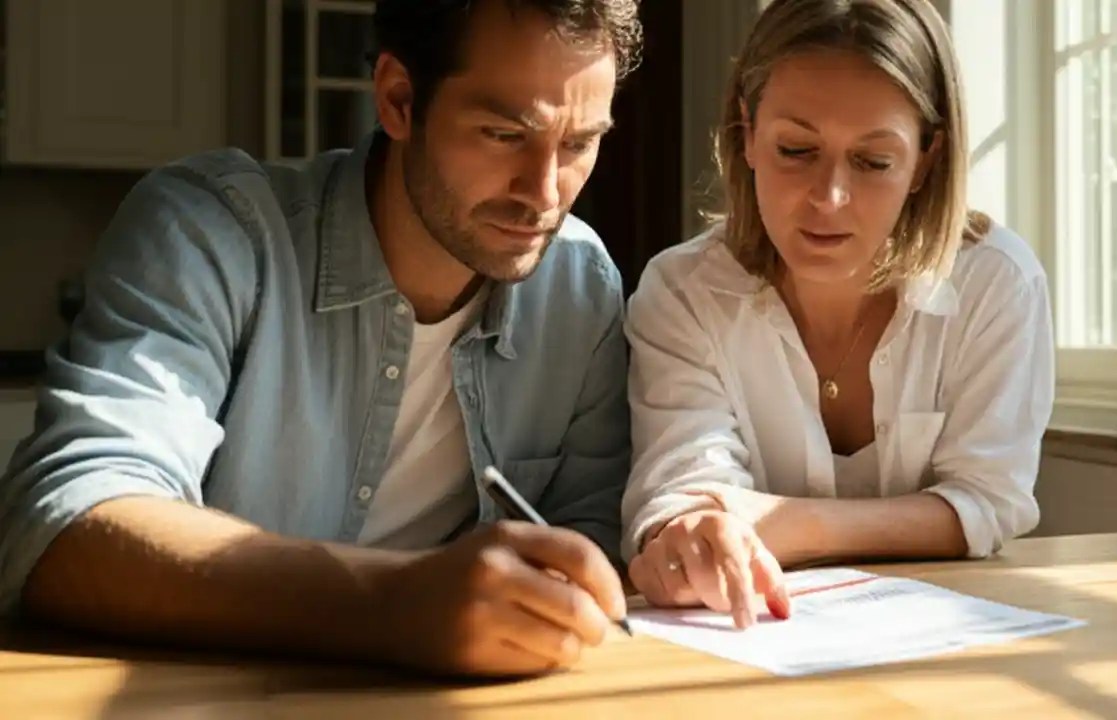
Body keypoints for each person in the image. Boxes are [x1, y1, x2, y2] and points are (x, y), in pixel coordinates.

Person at [0, 0, 641, 677]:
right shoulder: (212, 235)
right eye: (503, 133)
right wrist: (390, 602)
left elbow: (591, 542)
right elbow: (65, 526)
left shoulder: (579, 287)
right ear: (398, 99)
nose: (543, 193)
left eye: (577, 144)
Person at [622, 0, 1053, 630]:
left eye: (874, 162)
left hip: (947, 645)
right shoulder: (683, 290)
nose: (829, 198)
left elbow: (989, 503)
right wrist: (690, 533)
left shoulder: (996, 283)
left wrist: (780, 524)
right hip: (746, 641)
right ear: (746, 133)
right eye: (796, 150)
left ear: (925, 161)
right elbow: (685, 490)